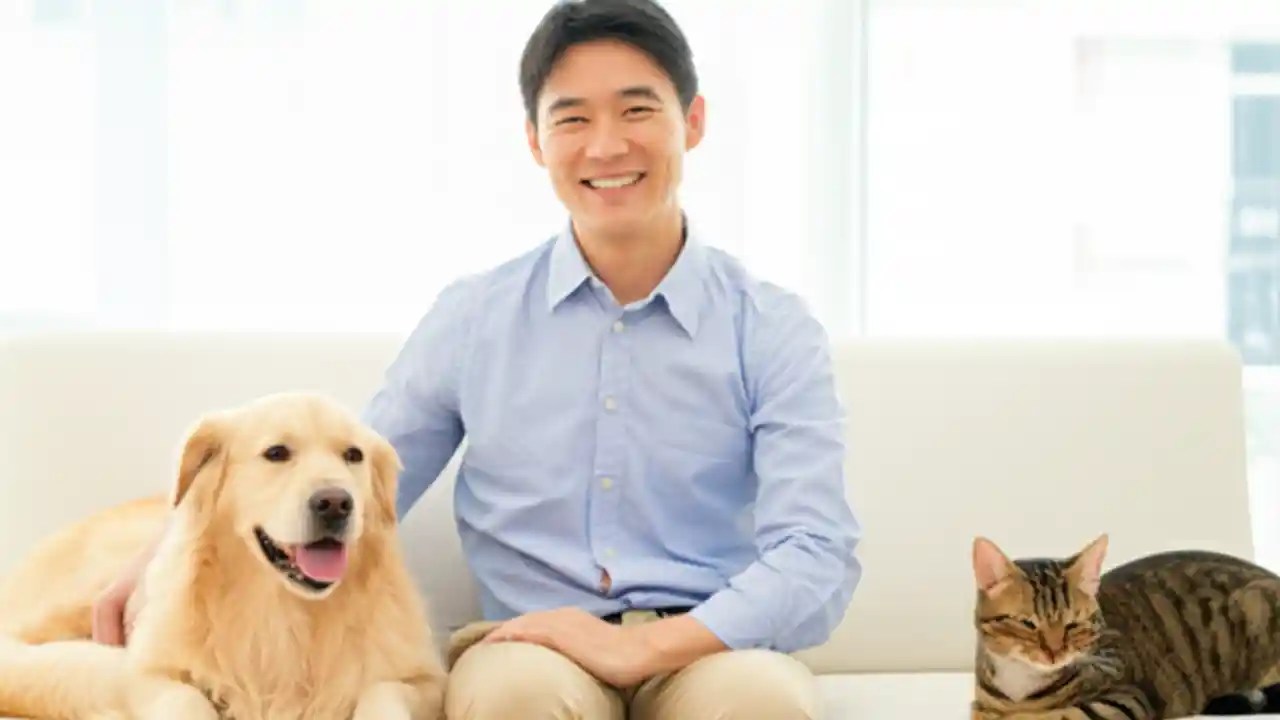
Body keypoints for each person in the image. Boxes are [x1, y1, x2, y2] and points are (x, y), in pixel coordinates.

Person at [92, 0, 862, 717]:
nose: (606, 144)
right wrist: (160, 562)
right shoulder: (474, 316)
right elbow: (362, 473)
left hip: (711, 645)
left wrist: (645, 647)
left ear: (691, 122)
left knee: (761, 702)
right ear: (534, 140)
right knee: (512, 699)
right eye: (571, 118)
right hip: (530, 646)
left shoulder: (772, 327)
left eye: (637, 109)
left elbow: (815, 551)